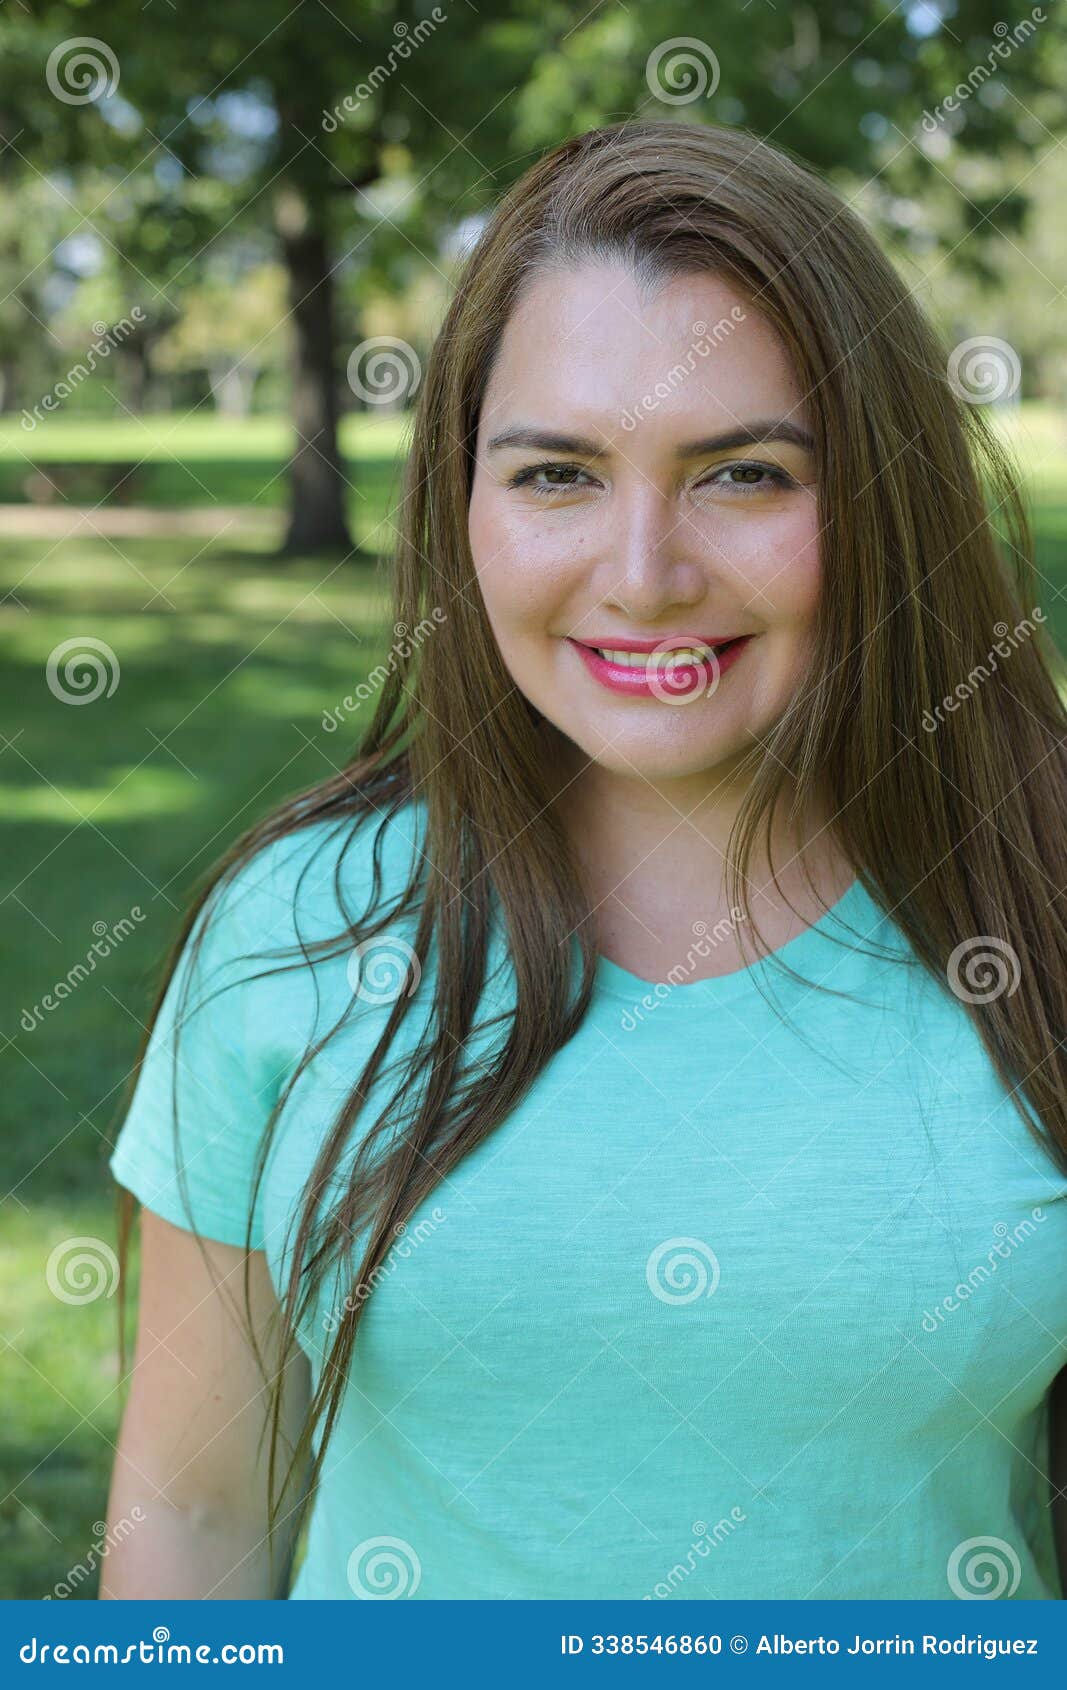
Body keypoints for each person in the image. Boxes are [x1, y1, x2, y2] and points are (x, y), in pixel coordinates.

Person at [101, 119, 1067, 1602]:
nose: (642, 573)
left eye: (742, 474)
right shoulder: (296, 932)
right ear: (462, 506)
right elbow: (192, 1517)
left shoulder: (1034, 910)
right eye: (558, 475)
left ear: (883, 497)